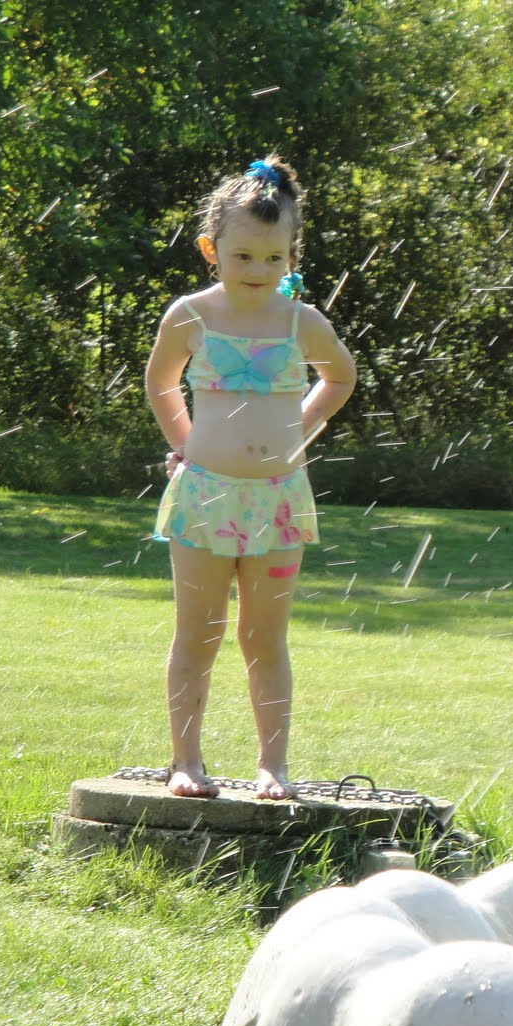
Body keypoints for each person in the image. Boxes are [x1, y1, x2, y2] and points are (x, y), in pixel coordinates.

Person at [144, 156, 356, 800]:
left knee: (265, 637)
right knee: (197, 633)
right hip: (204, 497)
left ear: (292, 252)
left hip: (279, 502)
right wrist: (186, 445)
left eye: (274, 257)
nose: (259, 271)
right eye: (243, 256)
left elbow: (340, 377)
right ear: (211, 249)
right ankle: (186, 762)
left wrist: (300, 428)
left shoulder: (301, 322)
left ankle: (273, 766)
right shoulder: (192, 315)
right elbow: (160, 382)